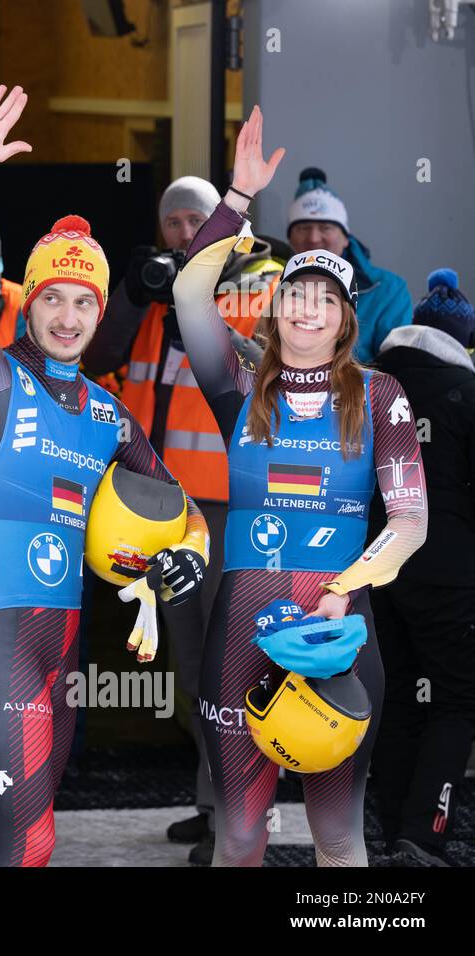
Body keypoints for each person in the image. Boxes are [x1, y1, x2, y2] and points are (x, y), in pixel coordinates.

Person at [0, 86, 210, 867]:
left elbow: (184, 507)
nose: (66, 317)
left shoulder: (107, 414)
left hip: (60, 655)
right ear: (29, 299)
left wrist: (188, 550)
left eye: (84, 302)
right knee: (30, 839)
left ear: (100, 311)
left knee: (12, 836)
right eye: (51, 296)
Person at [173, 106, 428, 866]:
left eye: (326, 298)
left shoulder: (381, 395)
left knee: (339, 835)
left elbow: (409, 522)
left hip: (337, 632)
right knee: (239, 833)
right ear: (276, 307)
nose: (309, 308)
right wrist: (237, 199)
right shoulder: (239, 388)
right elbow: (189, 296)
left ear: (346, 318)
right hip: (241, 630)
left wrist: (343, 590)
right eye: (296, 293)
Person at [84, 175, 278, 862]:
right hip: (163, 514)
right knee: (193, 668)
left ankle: (238, 818)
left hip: (230, 509)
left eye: (197, 219)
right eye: (175, 222)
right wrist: (133, 296)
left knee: (233, 666)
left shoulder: (261, 289)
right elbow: (96, 360)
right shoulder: (152, 297)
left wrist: (207, 305)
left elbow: (279, 373)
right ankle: (213, 800)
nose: (185, 232)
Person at [368, 269, 475, 867]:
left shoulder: (370, 388)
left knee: (401, 698)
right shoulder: (466, 393)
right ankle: (424, 835)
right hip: (447, 574)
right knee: (458, 699)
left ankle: (395, 834)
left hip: (378, 567)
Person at [286, 167, 411, 363]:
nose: (313, 238)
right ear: (290, 238)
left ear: (346, 238)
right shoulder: (273, 283)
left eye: (326, 228)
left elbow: (398, 363)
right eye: (303, 228)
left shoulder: (388, 289)